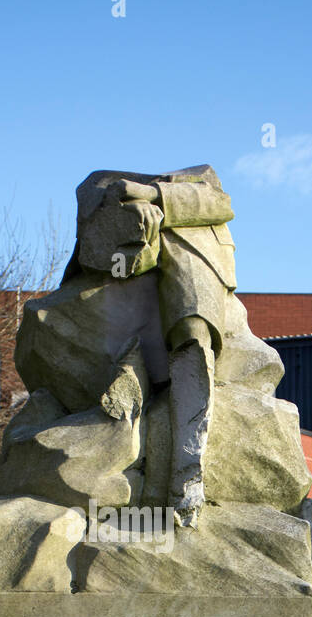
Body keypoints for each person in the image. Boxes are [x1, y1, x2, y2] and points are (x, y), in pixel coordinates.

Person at [63, 165, 236, 528]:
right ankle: (133, 372)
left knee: (193, 331)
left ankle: (188, 471)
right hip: (122, 270)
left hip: (193, 266)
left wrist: (155, 196)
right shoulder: (103, 178)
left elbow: (220, 203)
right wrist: (129, 201)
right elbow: (90, 208)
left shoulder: (200, 174)